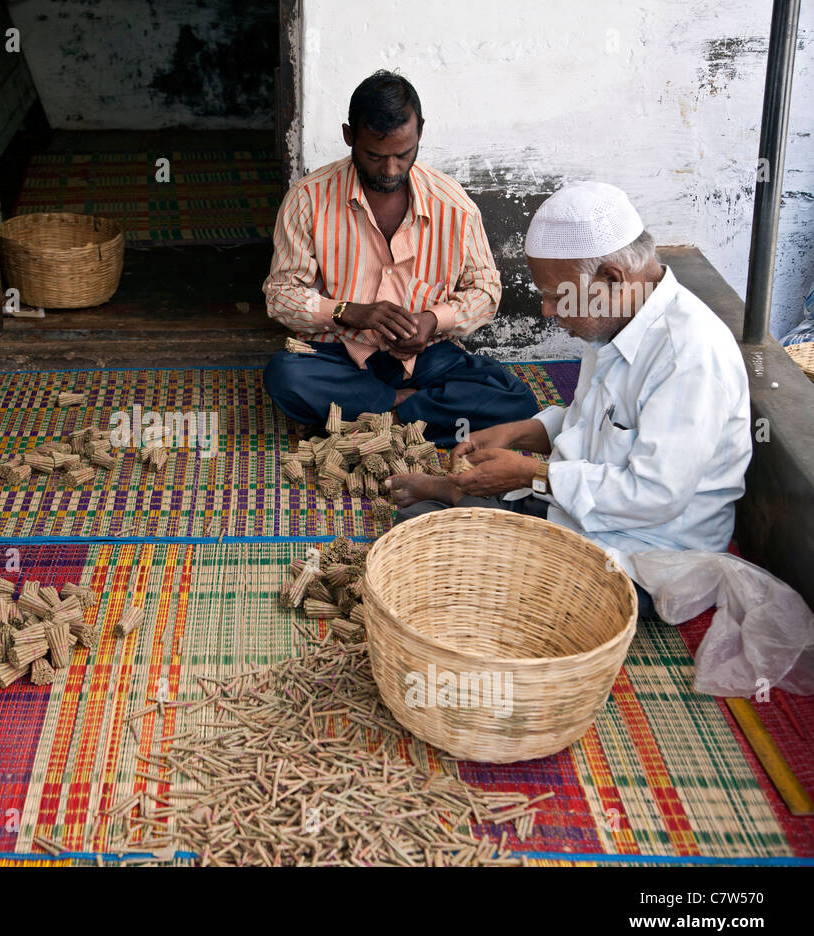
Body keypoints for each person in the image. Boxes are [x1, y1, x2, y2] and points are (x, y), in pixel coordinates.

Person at [387, 182, 752, 618]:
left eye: (556, 296)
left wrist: (533, 474)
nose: (546, 311)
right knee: (420, 528)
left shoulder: (690, 355)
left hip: (649, 556)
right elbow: (590, 422)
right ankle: (470, 502)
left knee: (448, 566)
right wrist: (519, 432)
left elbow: (655, 495)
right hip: (583, 514)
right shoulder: (617, 320)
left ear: (612, 278)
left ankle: (478, 507)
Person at [261, 70, 538, 447]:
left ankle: (368, 415)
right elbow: (280, 295)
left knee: (517, 401)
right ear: (349, 137)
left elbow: (486, 291)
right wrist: (348, 311)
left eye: (403, 154)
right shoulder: (308, 199)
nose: (390, 170)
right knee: (286, 376)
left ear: (419, 133)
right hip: (340, 353)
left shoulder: (453, 206)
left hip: (425, 359)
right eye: (375, 156)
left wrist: (431, 320)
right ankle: (409, 410)